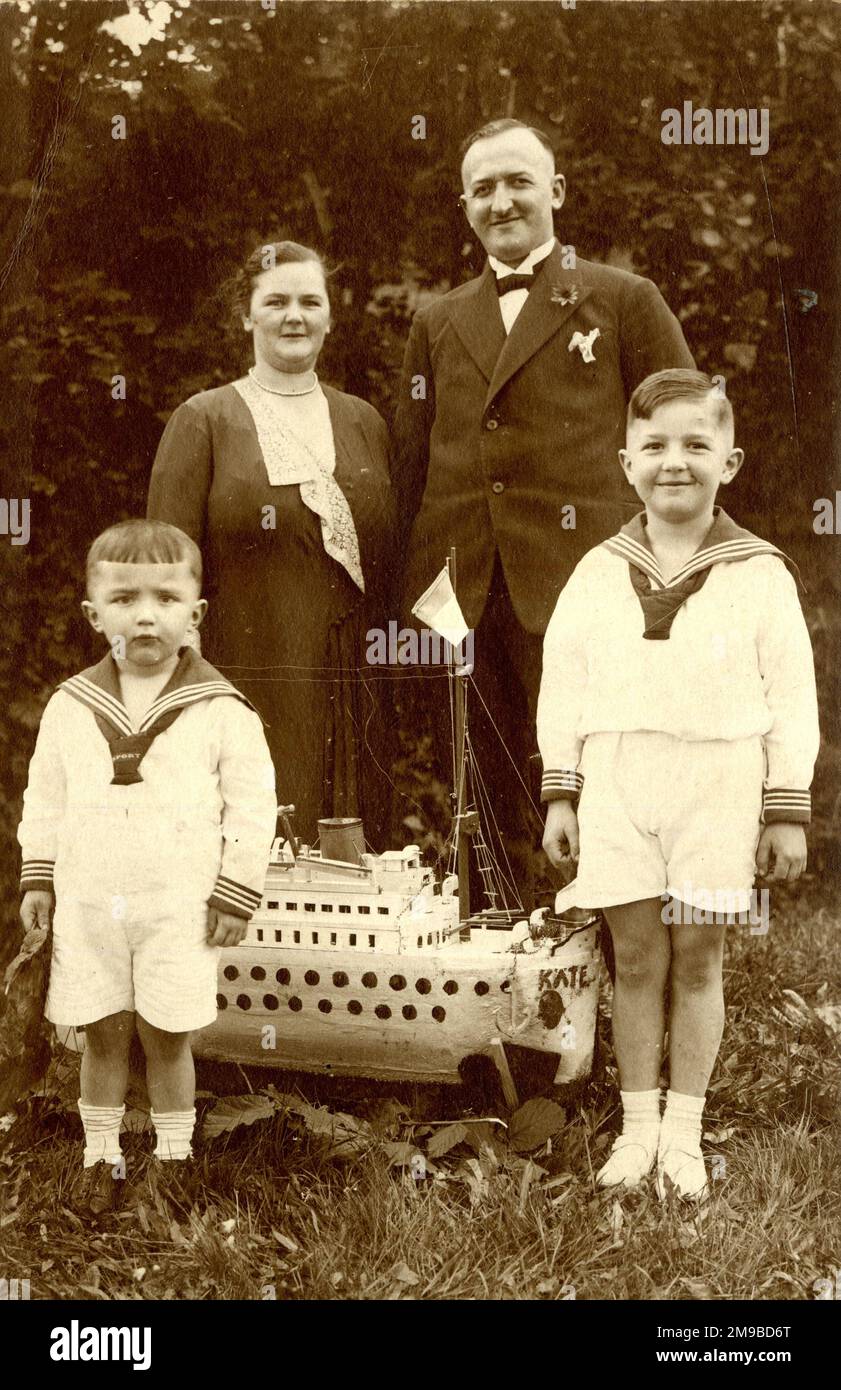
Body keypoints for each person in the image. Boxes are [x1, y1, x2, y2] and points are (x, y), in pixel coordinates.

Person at [394, 118, 695, 910]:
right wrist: (415, 591)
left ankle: (603, 978)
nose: (501, 201)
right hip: (464, 593)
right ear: (464, 206)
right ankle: (497, 984)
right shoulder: (435, 319)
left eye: (518, 182)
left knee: (593, 781)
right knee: (481, 791)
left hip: (582, 587)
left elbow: (685, 441)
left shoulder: (623, 299)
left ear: (554, 191)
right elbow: (412, 460)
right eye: (483, 188)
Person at [537, 370, 820, 1199]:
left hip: (717, 781)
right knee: (634, 958)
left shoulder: (759, 572)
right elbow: (565, 682)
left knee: (696, 958)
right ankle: (635, 1128)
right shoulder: (596, 570)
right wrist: (564, 789)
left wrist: (784, 808)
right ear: (625, 462)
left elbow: (790, 695)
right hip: (620, 779)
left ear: (727, 462)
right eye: (654, 446)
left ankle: (683, 1135)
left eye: (695, 445)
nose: (674, 462)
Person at [17, 519, 277, 1214]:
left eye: (165, 598)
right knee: (101, 1030)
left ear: (194, 614)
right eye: (125, 597)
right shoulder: (71, 706)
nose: (145, 614)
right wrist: (38, 875)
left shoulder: (221, 709)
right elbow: (45, 796)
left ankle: (173, 1158)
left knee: (166, 1031)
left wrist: (234, 891)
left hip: (179, 901)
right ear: (94, 615)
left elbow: (254, 807)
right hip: (90, 899)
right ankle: (99, 1155)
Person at [148, 241, 395, 848]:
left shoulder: (364, 421)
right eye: (276, 301)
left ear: (330, 317)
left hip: (355, 687)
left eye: (310, 301)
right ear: (246, 315)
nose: (295, 316)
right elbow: (165, 576)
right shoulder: (204, 419)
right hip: (247, 679)